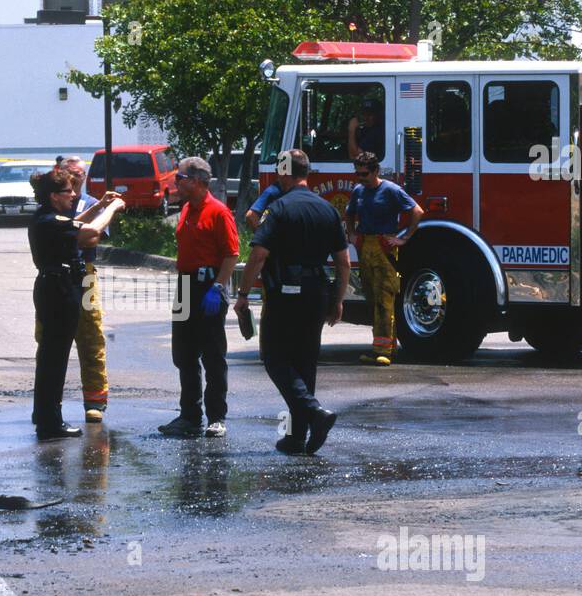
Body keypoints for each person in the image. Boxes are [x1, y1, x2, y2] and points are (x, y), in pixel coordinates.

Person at [234, 149, 350, 455]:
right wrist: (337, 300)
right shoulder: (328, 210)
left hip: (286, 291)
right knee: (304, 362)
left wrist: (244, 294)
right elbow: (344, 263)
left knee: (274, 358)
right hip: (317, 293)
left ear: (284, 173)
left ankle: (314, 413)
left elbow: (258, 255)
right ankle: (297, 437)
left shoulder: (279, 209)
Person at [28, 167, 124, 441]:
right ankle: (50, 423)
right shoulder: (49, 220)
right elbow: (91, 234)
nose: (73, 194)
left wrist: (100, 205)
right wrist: (113, 208)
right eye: (67, 191)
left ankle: (47, 416)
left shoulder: (50, 218)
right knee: (54, 358)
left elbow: (78, 224)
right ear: (53, 196)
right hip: (59, 289)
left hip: (57, 286)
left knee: (52, 357)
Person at [159, 156, 239, 439]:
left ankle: (216, 417)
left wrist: (218, 287)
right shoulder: (185, 209)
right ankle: (189, 416)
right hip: (185, 287)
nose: (176, 183)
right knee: (183, 354)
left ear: (196, 181)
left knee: (213, 355)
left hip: (208, 286)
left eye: (180, 178)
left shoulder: (218, 212)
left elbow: (231, 254)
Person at [345, 151, 424, 365]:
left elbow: (417, 211)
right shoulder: (359, 191)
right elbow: (349, 213)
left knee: (385, 298)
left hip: (384, 247)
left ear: (376, 171)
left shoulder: (391, 190)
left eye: (365, 174)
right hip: (365, 246)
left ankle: (383, 351)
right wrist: (352, 234)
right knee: (372, 297)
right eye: (358, 174)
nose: (361, 178)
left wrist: (404, 238)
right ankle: (386, 346)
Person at [58, 155, 109, 422]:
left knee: (91, 335)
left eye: (80, 174)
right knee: (51, 338)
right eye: (71, 173)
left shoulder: (92, 204)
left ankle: (96, 402)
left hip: (85, 274)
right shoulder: (54, 203)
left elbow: (93, 236)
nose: (77, 178)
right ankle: (51, 402)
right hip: (56, 273)